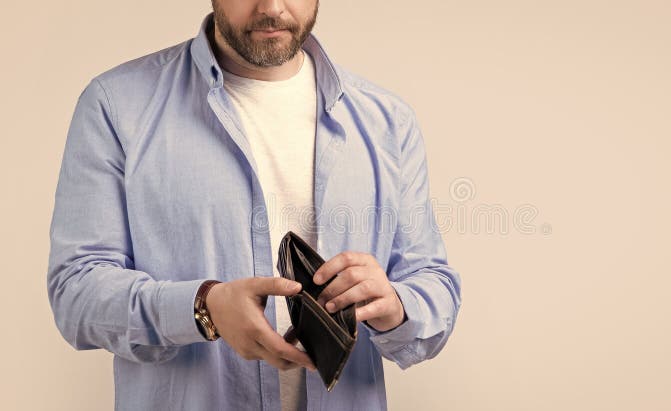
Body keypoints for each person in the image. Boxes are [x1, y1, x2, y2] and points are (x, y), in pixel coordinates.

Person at [47, 1, 462, 410]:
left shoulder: (388, 121)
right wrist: (202, 308)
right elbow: (76, 292)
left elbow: (433, 285)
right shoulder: (116, 105)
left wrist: (394, 305)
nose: (272, 7)